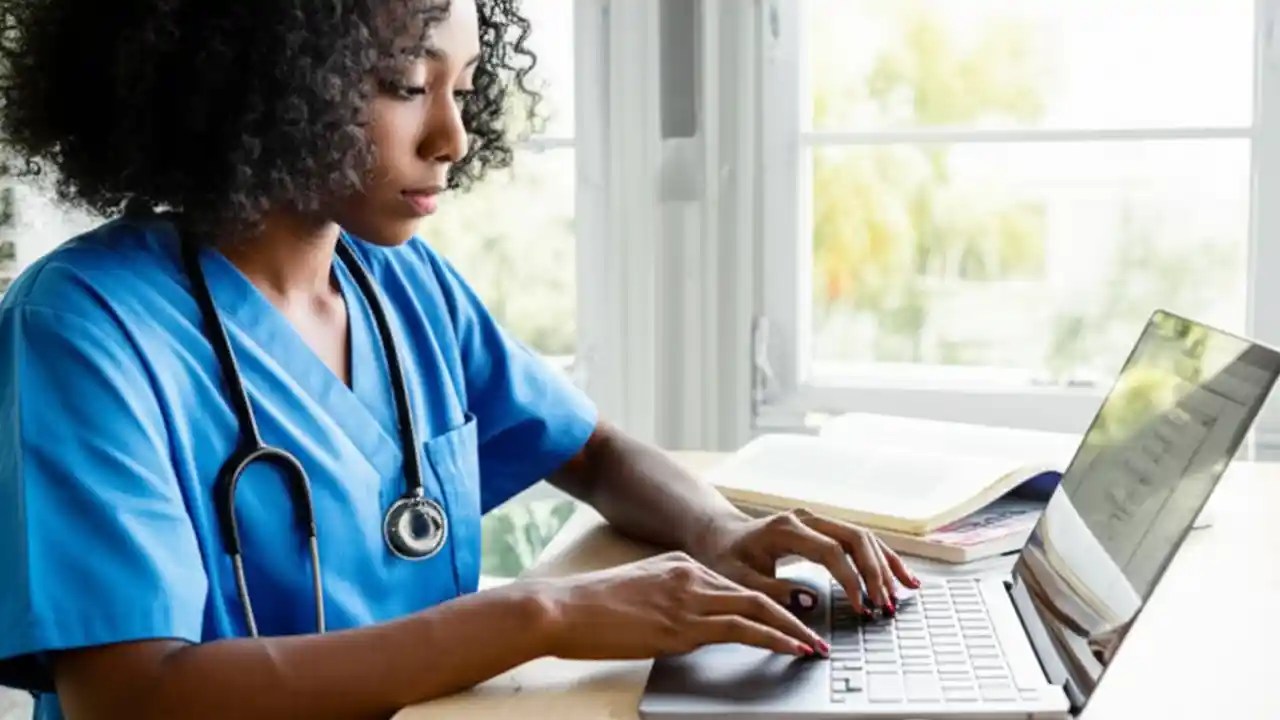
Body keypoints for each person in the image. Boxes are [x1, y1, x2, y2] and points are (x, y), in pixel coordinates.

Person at [0, 1, 919, 718]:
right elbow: (131, 697)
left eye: (465, 86)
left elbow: (589, 449)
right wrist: (542, 616)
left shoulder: (402, 287)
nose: (453, 139)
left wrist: (719, 531)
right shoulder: (83, 329)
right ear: (261, 82)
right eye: (406, 84)